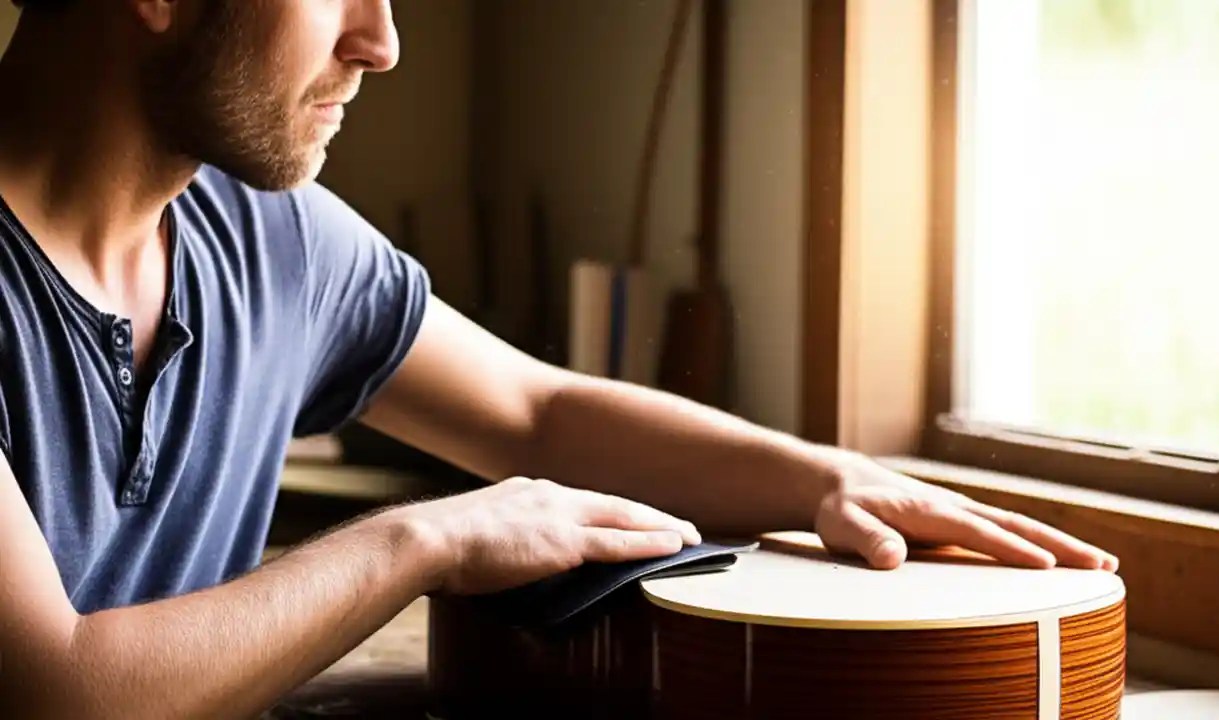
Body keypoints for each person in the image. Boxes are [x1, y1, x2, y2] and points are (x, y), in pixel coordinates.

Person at [0, 1, 1118, 718]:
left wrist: (823, 478)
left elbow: (533, 413)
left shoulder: (269, 239)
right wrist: (426, 538)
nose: (381, 40)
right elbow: (59, 692)